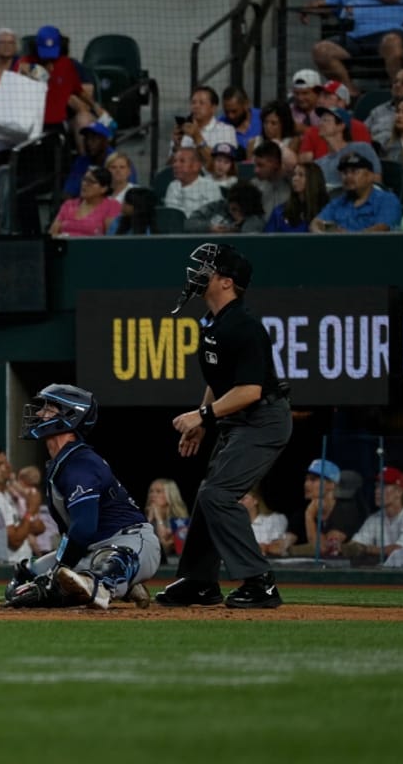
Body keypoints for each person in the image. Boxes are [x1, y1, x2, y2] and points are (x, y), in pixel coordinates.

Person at [159, 243, 291, 609]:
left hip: (263, 420)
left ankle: (260, 582)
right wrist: (205, 419)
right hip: (238, 421)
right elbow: (220, 383)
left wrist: (203, 416)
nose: (200, 273)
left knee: (219, 495)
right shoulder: (214, 321)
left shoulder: (245, 326)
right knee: (209, 494)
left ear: (227, 282)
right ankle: (200, 583)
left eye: (209, 269)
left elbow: (249, 391)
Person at [1, 384, 159, 611]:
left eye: (48, 409)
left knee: (85, 579)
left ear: (69, 416)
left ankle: (108, 581)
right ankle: (120, 582)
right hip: (92, 548)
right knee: (25, 579)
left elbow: (83, 528)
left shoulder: (81, 464)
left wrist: (58, 570)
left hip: (130, 540)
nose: (38, 414)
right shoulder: (63, 461)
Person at [343, 467, 403, 564]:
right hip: (386, 573)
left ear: (399, 492)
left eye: (383, 486)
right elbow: (356, 544)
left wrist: (366, 549)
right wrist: (345, 547)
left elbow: (401, 550)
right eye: (377, 486)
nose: (377, 491)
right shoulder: (375, 518)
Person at [312, 151, 403, 233]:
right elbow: (315, 223)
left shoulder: (387, 200)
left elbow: (382, 228)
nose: (348, 176)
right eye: (345, 172)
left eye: (354, 171)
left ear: (370, 176)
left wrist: (349, 237)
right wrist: (327, 232)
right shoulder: (338, 202)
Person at [49, 165, 121, 237]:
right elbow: (52, 233)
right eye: (84, 179)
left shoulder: (111, 206)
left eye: (91, 181)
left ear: (103, 189)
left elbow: (111, 238)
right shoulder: (69, 204)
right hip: (65, 246)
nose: (84, 184)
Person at [265, 162, 329, 233]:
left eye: (301, 175)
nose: (295, 178)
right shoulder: (280, 212)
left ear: (312, 180)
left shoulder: (328, 211)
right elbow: (267, 240)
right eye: (294, 174)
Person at [239, 485, 290, 557]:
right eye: (237, 499)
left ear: (255, 500)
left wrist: (265, 547)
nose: (239, 502)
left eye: (243, 499)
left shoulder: (274, 519)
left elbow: (278, 547)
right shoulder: (235, 524)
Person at [146, 478, 190, 558]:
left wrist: (158, 517)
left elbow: (166, 549)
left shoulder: (179, 522)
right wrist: (149, 519)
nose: (153, 495)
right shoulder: (146, 520)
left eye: (158, 491)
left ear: (170, 495)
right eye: (151, 491)